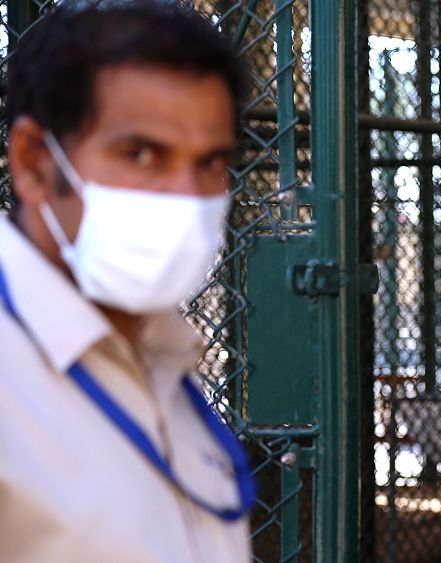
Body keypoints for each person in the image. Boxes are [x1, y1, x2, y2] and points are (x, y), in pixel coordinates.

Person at [0, 2, 255, 561]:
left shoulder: (163, 358)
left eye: (210, 163)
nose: (187, 197)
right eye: (141, 155)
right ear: (34, 163)